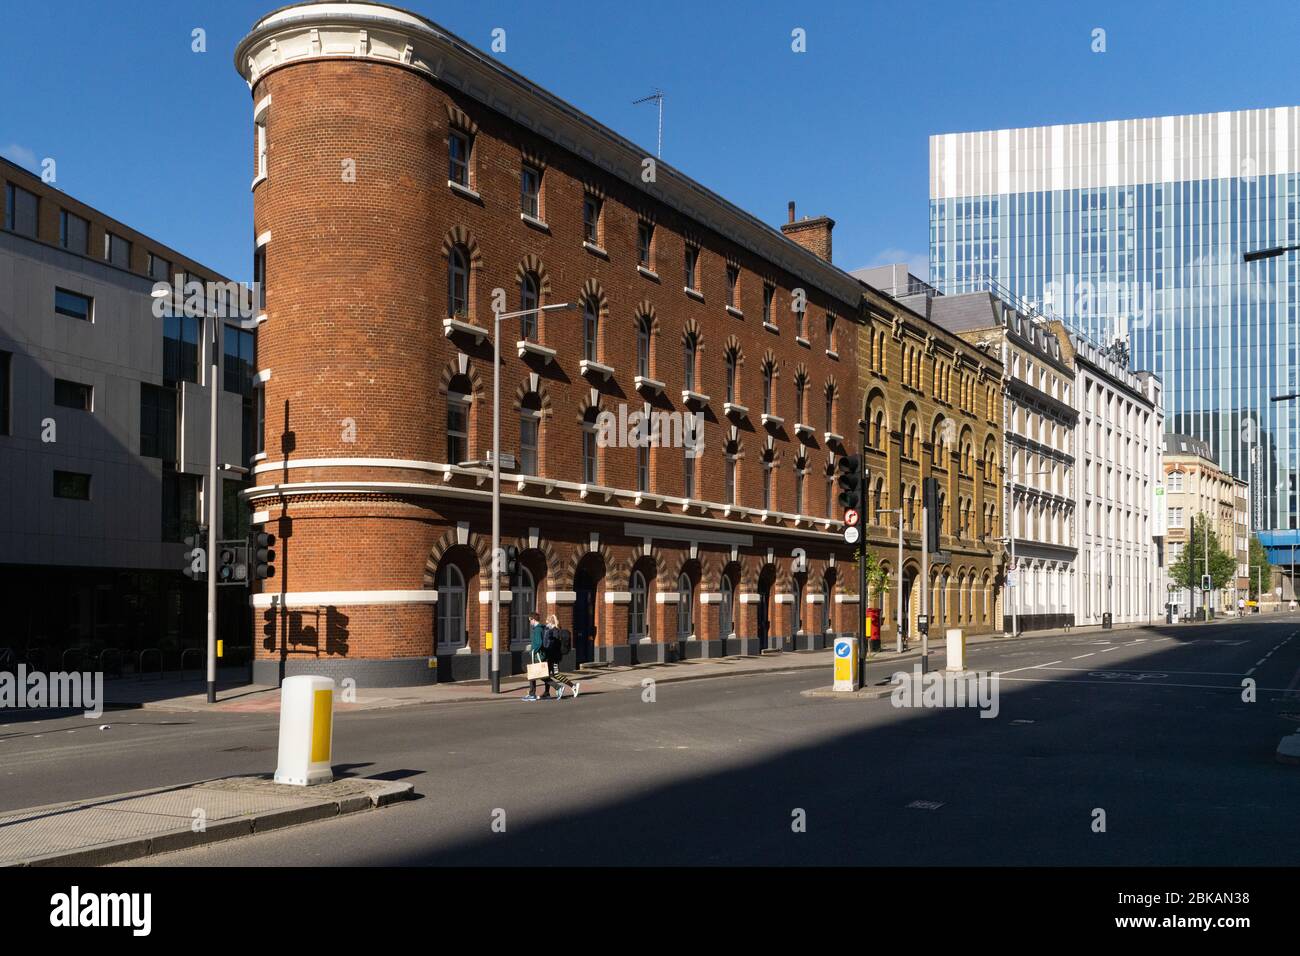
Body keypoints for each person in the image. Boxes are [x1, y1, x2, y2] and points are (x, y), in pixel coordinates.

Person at [523, 613, 550, 701]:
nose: (529, 622)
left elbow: (539, 643)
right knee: (535, 674)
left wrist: (533, 651)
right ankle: (532, 693)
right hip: (539, 654)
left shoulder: (538, 629)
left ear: (533, 619)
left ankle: (532, 694)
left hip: (537, 655)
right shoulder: (539, 628)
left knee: (536, 674)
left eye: (530, 620)